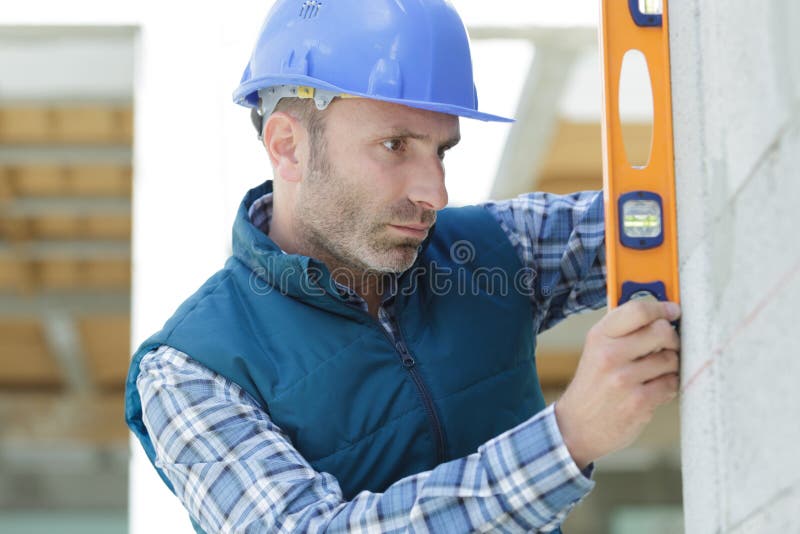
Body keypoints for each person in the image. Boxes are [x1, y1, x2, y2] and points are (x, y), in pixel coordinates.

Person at [125, 1, 681, 532]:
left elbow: (664, 219)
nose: (434, 193)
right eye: (395, 146)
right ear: (288, 147)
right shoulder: (191, 369)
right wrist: (567, 438)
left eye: (441, 151)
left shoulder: (492, 250)